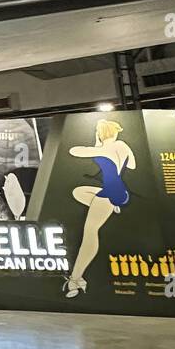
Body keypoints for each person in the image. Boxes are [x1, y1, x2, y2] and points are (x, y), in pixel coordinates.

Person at [64, 119, 135, 298]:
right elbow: (132, 165)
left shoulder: (102, 149)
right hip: (120, 192)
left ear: (100, 133)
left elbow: (74, 151)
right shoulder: (122, 145)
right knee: (79, 192)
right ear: (114, 132)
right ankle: (113, 206)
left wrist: (97, 144)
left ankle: (76, 278)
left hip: (110, 193)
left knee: (90, 232)